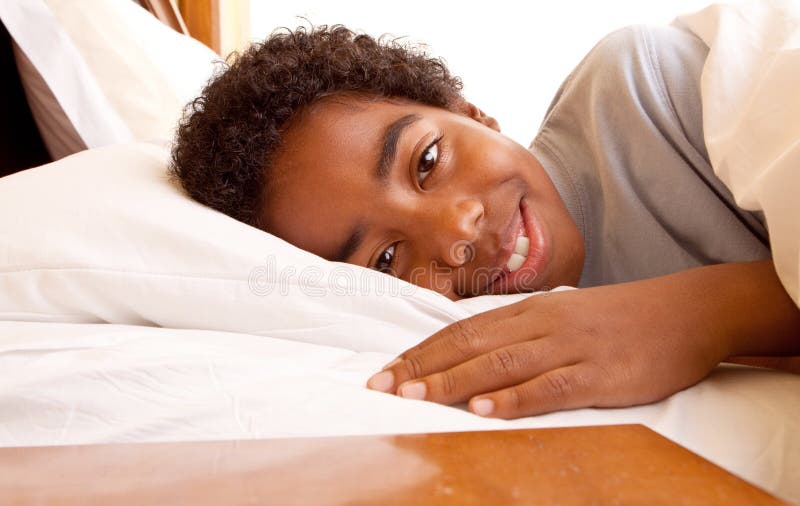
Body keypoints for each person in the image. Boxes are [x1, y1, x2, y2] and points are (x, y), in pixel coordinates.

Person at [170, 24, 800, 419]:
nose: (455, 234)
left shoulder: (649, 84)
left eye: (428, 159)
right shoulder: (461, 329)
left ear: (470, 111)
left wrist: (703, 313)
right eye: (386, 259)